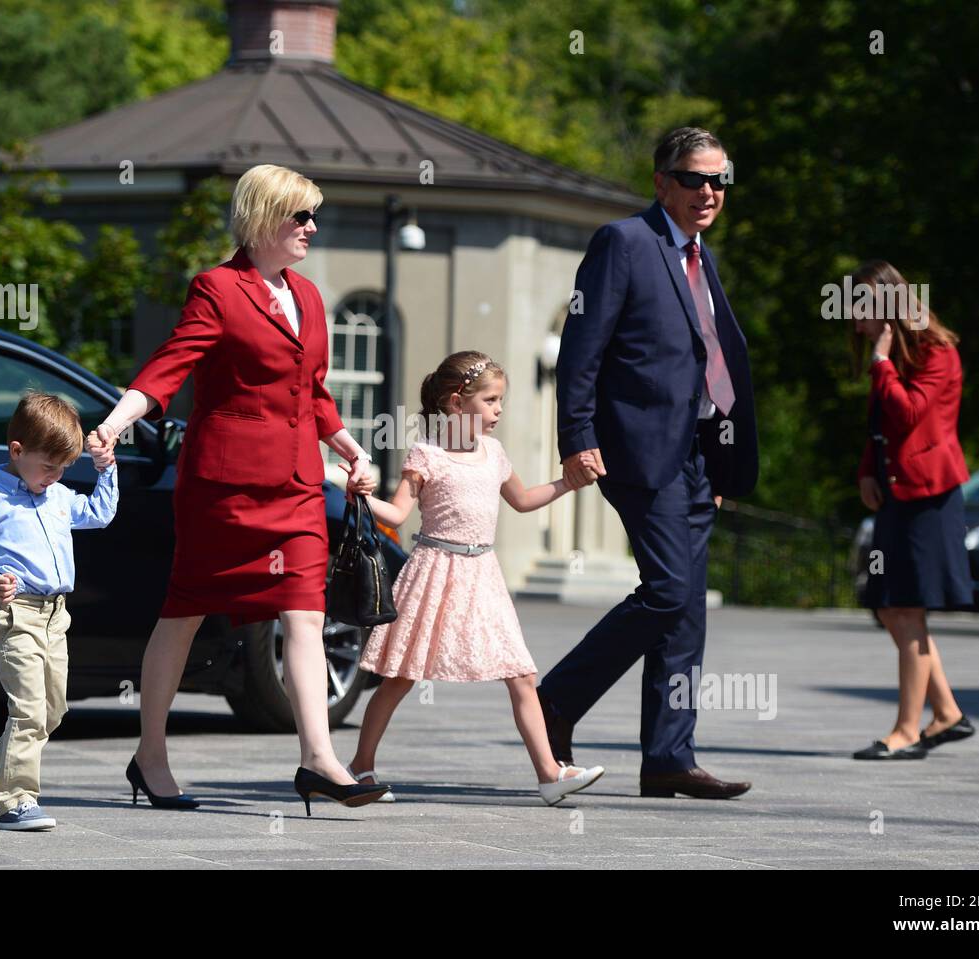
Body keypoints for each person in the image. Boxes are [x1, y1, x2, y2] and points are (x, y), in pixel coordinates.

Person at [91, 163, 387, 813]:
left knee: (306, 612)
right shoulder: (218, 289)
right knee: (184, 613)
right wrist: (113, 424)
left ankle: (318, 757)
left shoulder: (309, 298)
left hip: (298, 487)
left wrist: (351, 449)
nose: (312, 226)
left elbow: (311, 394)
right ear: (261, 220)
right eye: (299, 215)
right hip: (224, 490)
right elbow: (168, 369)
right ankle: (152, 754)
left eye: (315, 215)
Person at [538, 126, 760, 799]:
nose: (710, 192)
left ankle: (668, 756)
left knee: (686, 608)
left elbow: (711, 360)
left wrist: (722, 464)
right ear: (663, 181)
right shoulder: (624, 243)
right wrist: (577, 436)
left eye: (720, 179)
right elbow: (582, 349)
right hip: (639, 448)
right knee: (667, 590)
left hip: (699, 456)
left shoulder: (702, 256)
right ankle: (553, 702)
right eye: (695, 178)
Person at [350, 352, 605, 806]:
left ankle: (549, 774)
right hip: (432, 572)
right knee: (401, 677)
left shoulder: (495, 454)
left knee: (522, 674)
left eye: (500, 400)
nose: (499, 411)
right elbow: (396, 513)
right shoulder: (426, 455)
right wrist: (358, 495)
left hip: (483, 574)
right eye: (491, 401)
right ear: (456, 403)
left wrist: (567, 483)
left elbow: (523, 500)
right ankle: (359, 767)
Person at [0, 391, 118, 830]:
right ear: (17, 451)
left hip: (55, 617)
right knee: (27, 710)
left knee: (53, 710)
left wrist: (106, 468)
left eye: (64, 468)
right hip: (16, 617)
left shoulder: (60, 497)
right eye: (49, 466)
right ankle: (16, 800)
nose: (56, 476)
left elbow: (101, 514)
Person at [850, 259, 975, 760]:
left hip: (930, 497)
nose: (853, 320)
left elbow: (909, 414)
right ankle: (946, 714)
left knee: (907, 608)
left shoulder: (936, 353)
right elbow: (883, 423)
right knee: (890, 606)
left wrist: (881, 363)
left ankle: (907, 731)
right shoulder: (898, 355)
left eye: (860, 308)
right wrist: (866, 470)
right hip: (897, 494)